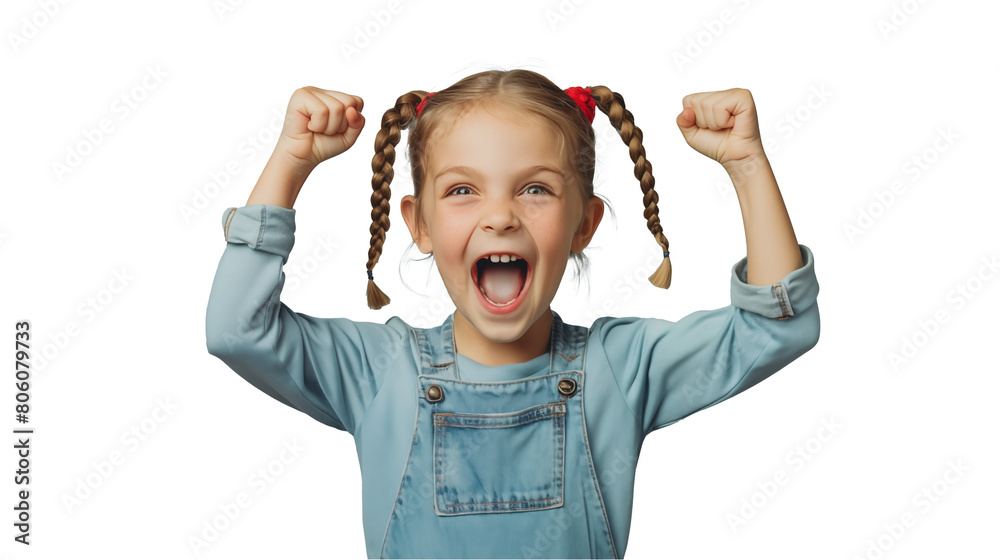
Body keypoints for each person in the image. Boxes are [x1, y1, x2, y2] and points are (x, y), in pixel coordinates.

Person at [205, 69, 820, 559]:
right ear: (417, 224)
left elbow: (777, 326)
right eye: (463, 190)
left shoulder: (622, 368)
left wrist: (746, 164)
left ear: (584, 224)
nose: (500, 216)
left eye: (535, 189)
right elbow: (237, 330)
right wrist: (290, 161)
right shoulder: (375, 372)